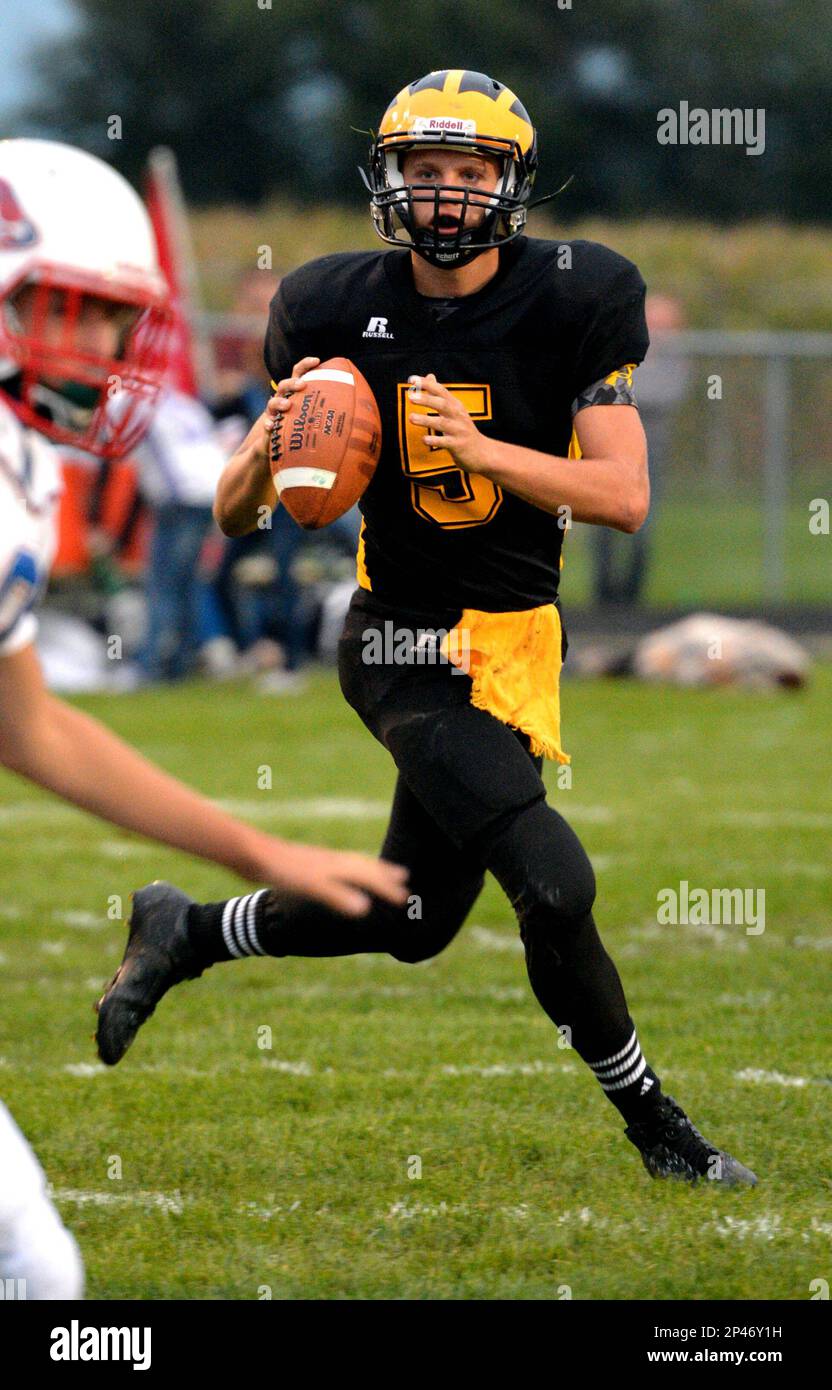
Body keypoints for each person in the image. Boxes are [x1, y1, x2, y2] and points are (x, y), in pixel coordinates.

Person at [96, 73, 756, 1188]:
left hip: (516, 640)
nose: (445, 193)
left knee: (411, 915)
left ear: (510, 183)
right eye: (424, 169)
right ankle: (660, 1130)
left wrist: (486, 450)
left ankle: (188, 929)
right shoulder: (322, 303)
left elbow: (623, 496)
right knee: (554, 884)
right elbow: (231, 512)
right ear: (389, 179)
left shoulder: (577, 292)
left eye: (470, 171)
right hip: (400, 642)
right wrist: (264, 452)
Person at [0, 139, 409, 1289]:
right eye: (68, 309)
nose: (94, 348)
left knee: (38, 1269)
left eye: (106, 317)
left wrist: (255, 847)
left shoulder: (20, 465)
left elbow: (29, 726)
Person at [592, 293, 688, 604]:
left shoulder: (676, 357)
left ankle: (632, 597)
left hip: (651, 448)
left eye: (664, 324)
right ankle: (604, 594)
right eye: (652, 322)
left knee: (642, 518)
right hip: (607, 444)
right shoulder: (622, 349)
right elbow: (606, 387)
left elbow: (664, 393)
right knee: (602, 516)